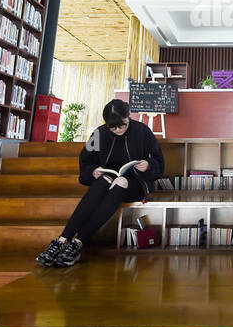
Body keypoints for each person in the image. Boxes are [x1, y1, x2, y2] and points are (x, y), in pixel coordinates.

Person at [36, 99, 164, 268]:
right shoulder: (99, 134)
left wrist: (148, 165)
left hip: (136, 183)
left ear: (129, 116)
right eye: (113, 128)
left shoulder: (143, 131)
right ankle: (62, 240)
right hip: (108, 179)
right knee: (104, 181)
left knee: (120, 183)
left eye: (122, 125)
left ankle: (78, 242)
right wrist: (93, 170)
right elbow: (86, 160)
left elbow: (158, 161)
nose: (118, 130)